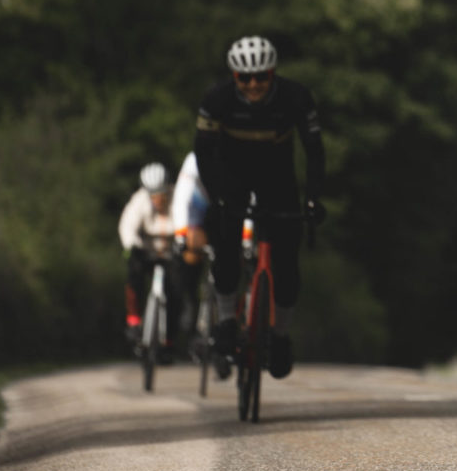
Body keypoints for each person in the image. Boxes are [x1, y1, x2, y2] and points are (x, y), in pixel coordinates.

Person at [195, 35, 326, 380]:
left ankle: (280, 337)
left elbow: (315, 151)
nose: (253, 85)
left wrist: (313, 198)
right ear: (234, 77)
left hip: (278, 179)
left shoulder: (296, 97)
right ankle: (225, 321)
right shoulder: (216, 99)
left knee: (286, 266)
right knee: (225, 247)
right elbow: (203, 153)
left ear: (273, 74)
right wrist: (215, 195)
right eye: (244, 78)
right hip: (230, 176)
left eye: (261, 77)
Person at [118, 162, 182, 359]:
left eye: (161, 193)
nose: (158, 199)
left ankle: (169, 339)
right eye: (153, 194)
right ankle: (134, 320)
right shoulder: (139, 201)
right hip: (146, 252)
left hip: (171, 253)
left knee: (176, 292)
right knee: (134, 273)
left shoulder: (178, 198)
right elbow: (127, 226)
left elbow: (185, 222)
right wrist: (133, 245)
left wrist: (183, 241)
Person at [171, 151, 210, 358]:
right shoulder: (194, 159)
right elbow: (181, 199)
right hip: (198, 207)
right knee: (192, 244)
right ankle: (189, 295)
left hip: (226, 204)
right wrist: (180, 235)